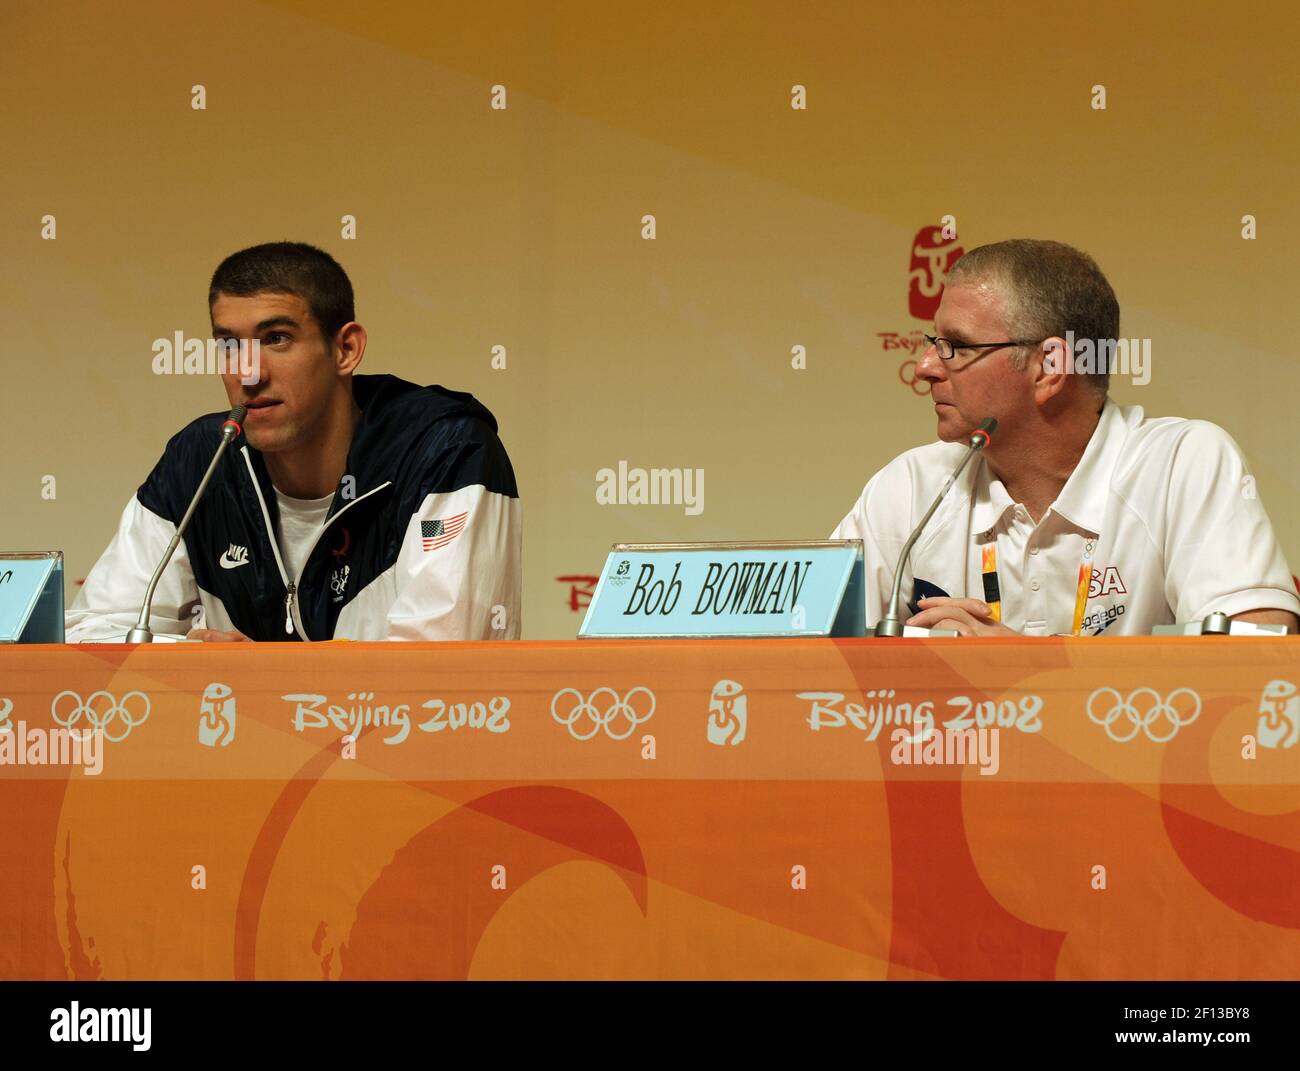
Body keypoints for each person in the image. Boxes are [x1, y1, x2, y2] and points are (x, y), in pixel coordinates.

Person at [831, 238, 1299, 636]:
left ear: (1050, 367)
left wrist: (1030, 666)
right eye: (935, 344)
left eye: (956, 346)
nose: (926, 367)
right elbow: (807, 646)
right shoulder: (912, 486)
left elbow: (1256, 653)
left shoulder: (1182, 463)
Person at [66, 242, 522, 642]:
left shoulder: (443, 450)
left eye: (276, 339)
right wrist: (195, 659)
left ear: (345, 349)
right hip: (235, 738)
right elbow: (95, 631)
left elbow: (440, 664)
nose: (248, 372)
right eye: (228, 345)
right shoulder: (202, 460)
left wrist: (263, 681)